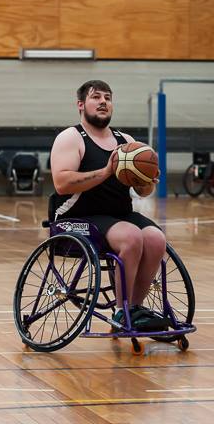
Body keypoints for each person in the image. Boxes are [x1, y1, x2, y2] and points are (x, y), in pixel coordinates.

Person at [49, 79, 168, 330]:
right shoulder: (70, 138)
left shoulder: (126, 141)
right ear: (81, 105)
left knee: (157, 239)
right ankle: (121, 310)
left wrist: (148, 180)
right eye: (96, 97)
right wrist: (105, 171)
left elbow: (142, 192)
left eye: (108, 97)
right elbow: (61, 183)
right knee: (132, 237)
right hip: (78, 217)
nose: (103, 101)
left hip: (118, 215)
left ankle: (133, 309)